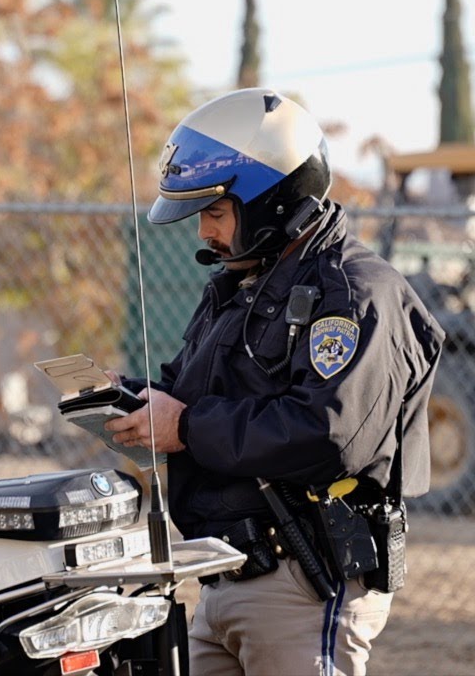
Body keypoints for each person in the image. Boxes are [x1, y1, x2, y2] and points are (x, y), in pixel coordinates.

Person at [106, 88, 443, 676]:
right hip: (225, 576)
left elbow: (328, 434)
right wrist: (129, 399)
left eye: (214, 212)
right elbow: (198, 396)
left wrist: (184, 427)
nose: (203, 231)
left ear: (270, 200)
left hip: (300, 584)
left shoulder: (354, 296)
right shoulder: (243, 285)